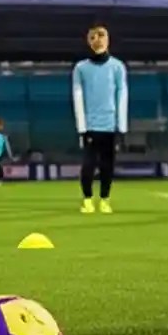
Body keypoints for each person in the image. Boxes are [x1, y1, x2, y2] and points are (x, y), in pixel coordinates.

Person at [72, 23, 128, 214]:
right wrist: (82, 127)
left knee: (107, 166)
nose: (98, 39)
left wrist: (121, 127)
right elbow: (78, 95)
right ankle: (88, 200)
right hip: (90, 126)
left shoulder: (117, 67)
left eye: (102, 35)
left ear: (108, 39)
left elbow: (122, 95)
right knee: (88, 166)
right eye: (94, 37)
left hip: (110, 125)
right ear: (89, 42)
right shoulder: (81, 68)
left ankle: (105, 199)